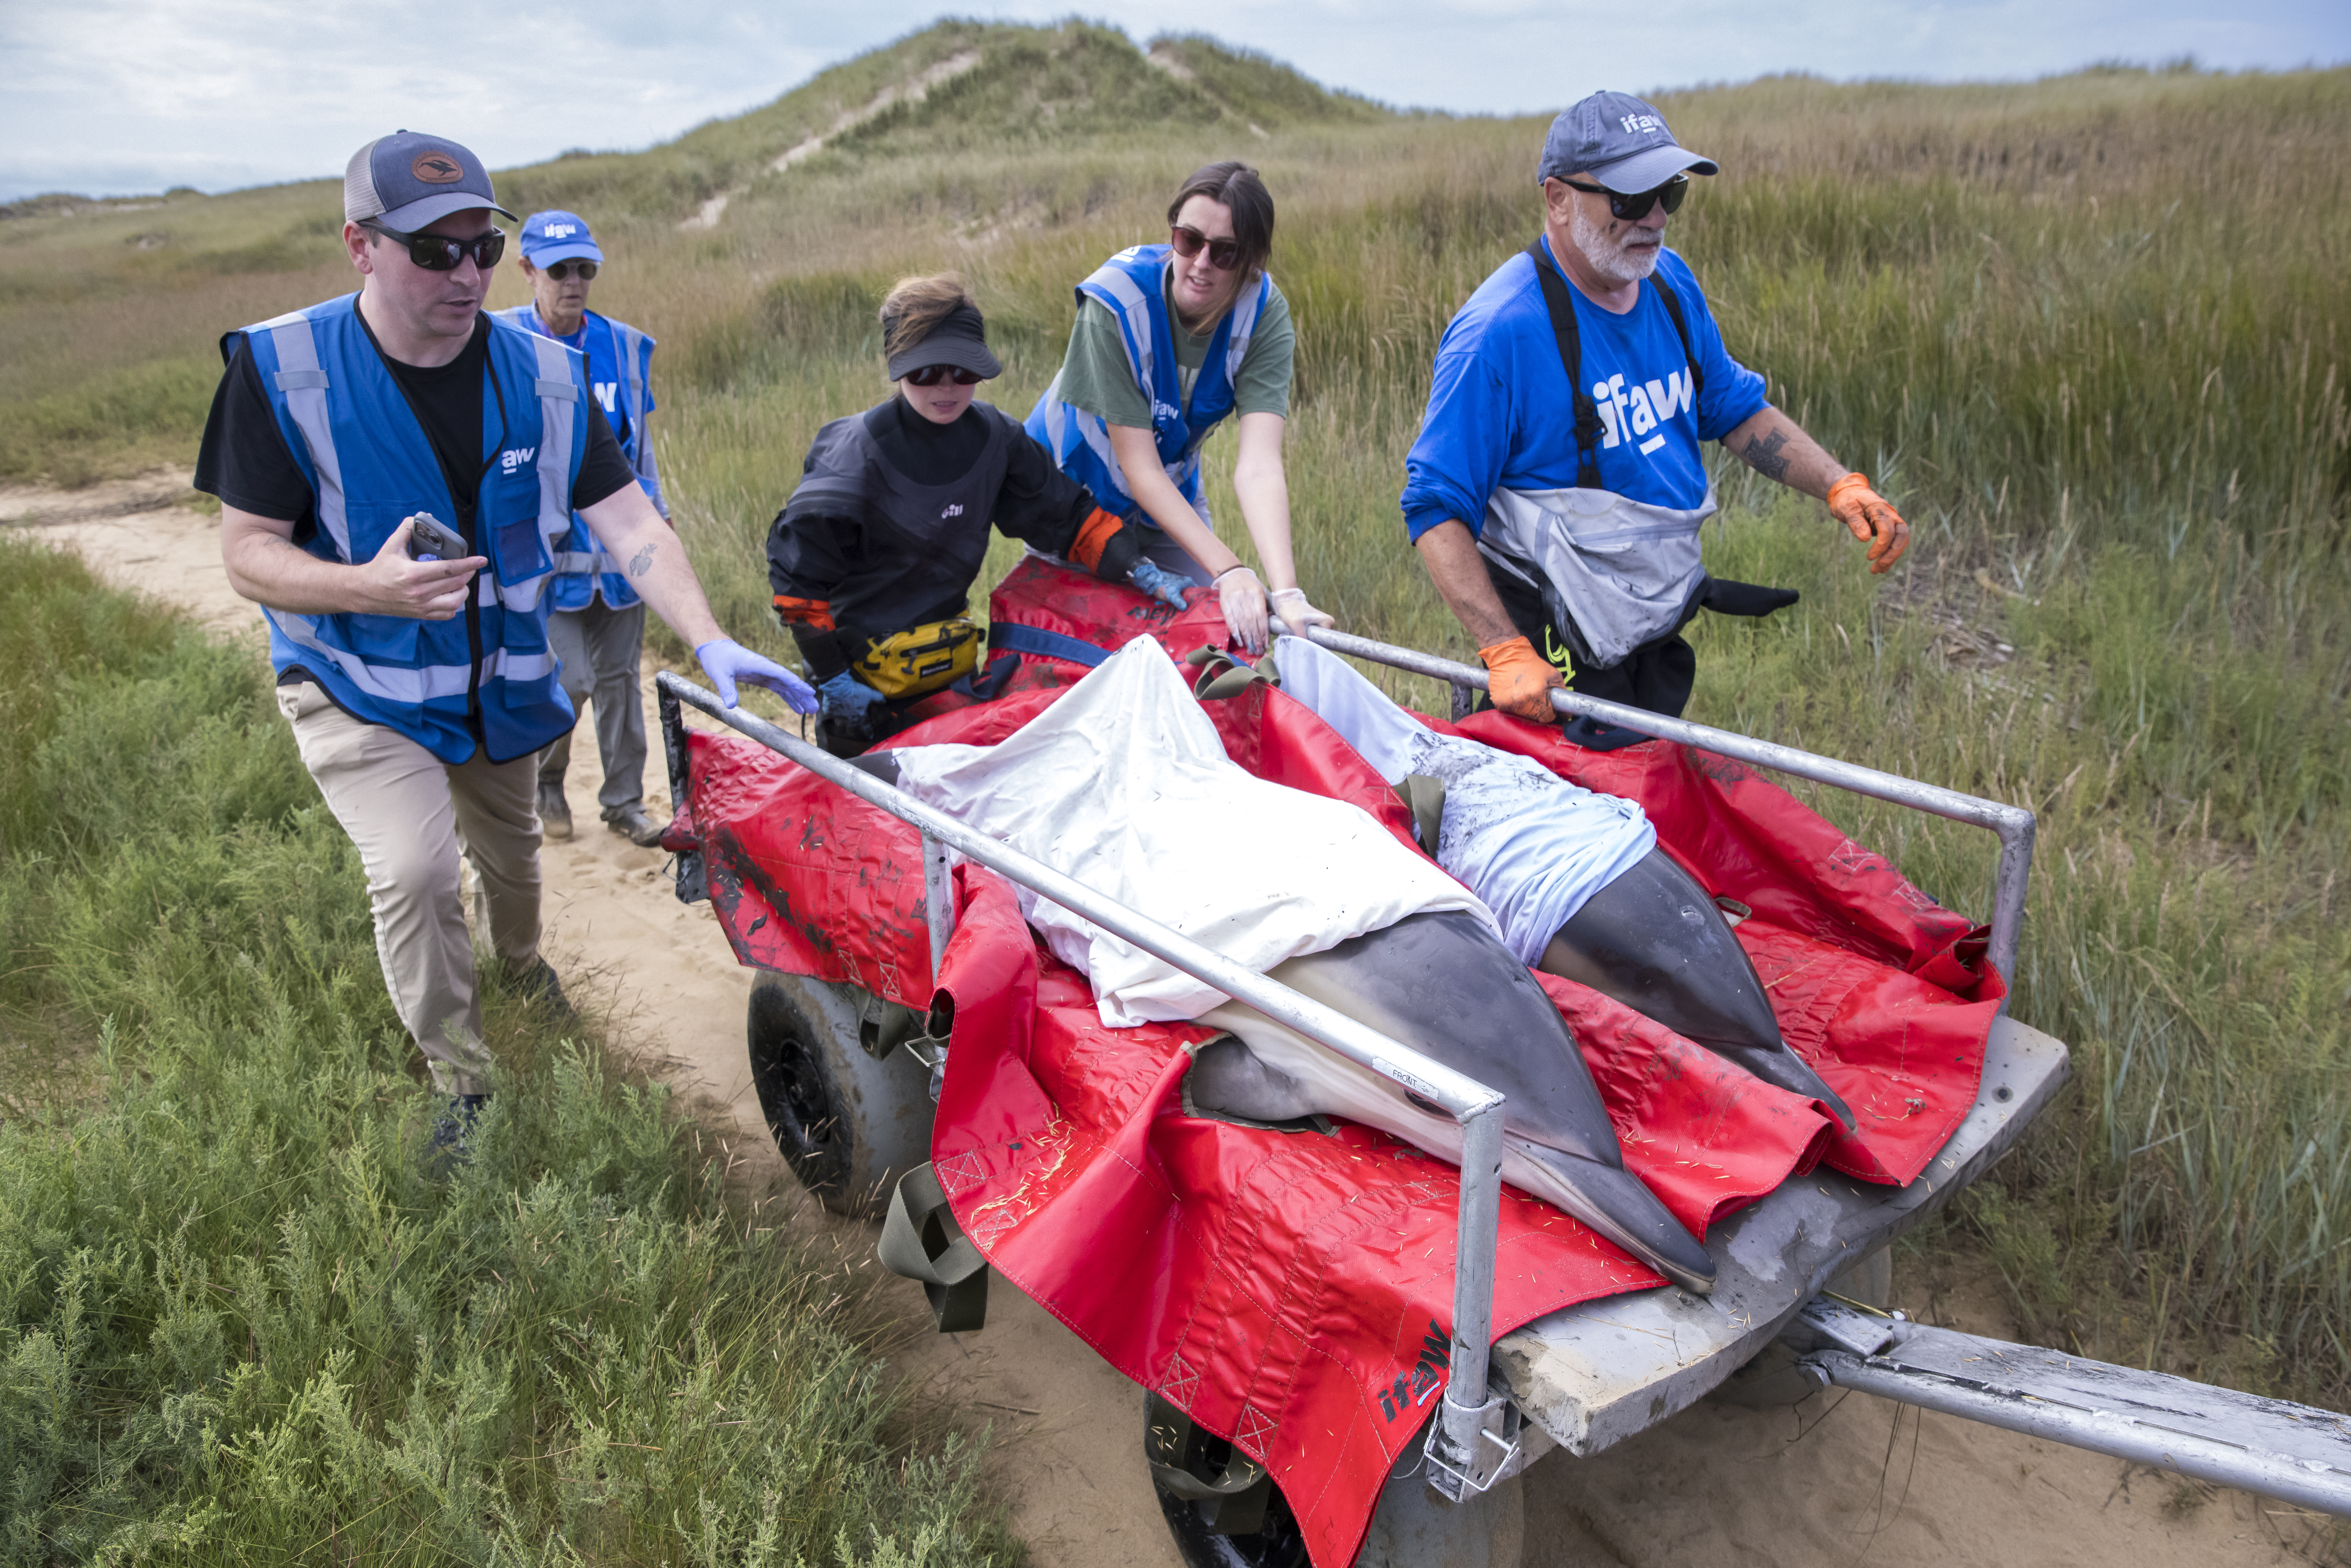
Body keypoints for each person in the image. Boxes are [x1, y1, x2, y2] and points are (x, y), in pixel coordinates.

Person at [194, 130, 813, 1142]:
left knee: (513, 859)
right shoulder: (283, 367)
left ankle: (524, 971)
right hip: (358, 680)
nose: (468, 271)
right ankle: (464, 1082)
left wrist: (706, 637)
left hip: (498, 687)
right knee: (417, 872)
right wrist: (367, 588)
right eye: (435, 250)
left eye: (484, 245)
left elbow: (630, 521)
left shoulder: (546, 375)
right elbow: (247, 552)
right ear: (361, 244)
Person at [1400, 92, 1910, 740]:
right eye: (1631, 200)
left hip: (1650, 621)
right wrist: (1503, 649)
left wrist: (1841, 485)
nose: (1658, 218)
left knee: (1653, 801)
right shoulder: (1499, 333)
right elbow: (1435, 503)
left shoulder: (1670, 284)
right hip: (1554, 640)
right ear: (1558, 198)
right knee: (1572, 823)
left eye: (1671, 193)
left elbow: (1732, 408)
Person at [769, 274, 1190, 758]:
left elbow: (1066, 518)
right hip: (859, 682)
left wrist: (1138, 567)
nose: (946, 387)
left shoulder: (996, 440)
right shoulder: (851, 459)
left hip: (945, 669)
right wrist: (834, 681)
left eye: (963, 372)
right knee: (863, 810)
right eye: (927, 372)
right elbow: (799, 585)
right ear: (896, 365)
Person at [1026, 160, 1332, 655]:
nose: (1201, 262)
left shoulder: (1263, 313)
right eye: (1189, 240)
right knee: (1071, 652)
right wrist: (1231, 569)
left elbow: (1258, 465)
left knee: (1211, 638)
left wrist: (1286, 590)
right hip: (1073, 495)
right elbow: (1138, 467)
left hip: (1169, 495)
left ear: (1252, 261)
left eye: (1226, 252)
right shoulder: (1115, 302)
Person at [494, 210, 669, 847]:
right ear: (527, 270)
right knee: (567, 680)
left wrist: (661, 524)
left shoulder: (624, 346)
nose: (574, 281)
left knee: (623, 681)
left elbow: (641, 449)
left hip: (619, 556)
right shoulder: (500, 342)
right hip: (541, 560)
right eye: (559, 269)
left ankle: (624, 803)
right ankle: (546, 781)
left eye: (584, 269)